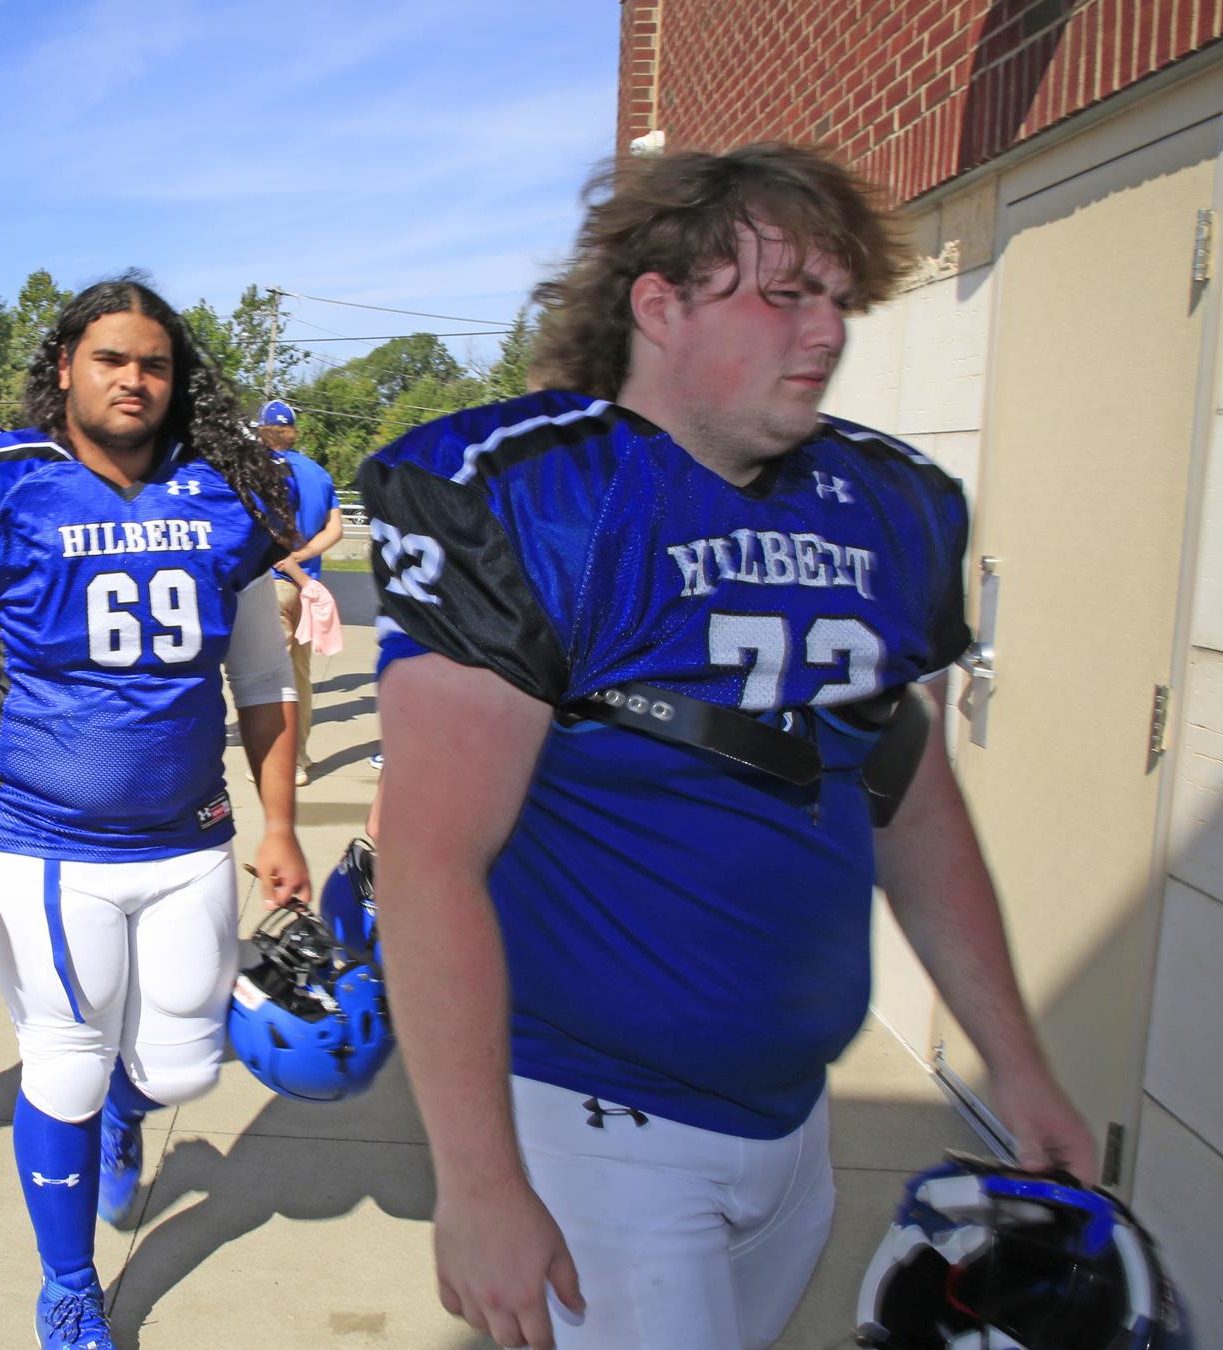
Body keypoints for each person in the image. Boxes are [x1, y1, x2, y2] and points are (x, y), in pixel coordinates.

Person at [361, 142, 1097, 1350]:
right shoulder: (542, 497)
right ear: (658, 304)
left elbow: (907, 803)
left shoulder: (879, 505)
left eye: (833, 300)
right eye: (780, 293)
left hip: (789, 1129)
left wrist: (1011, 1062)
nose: (823, 333)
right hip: (596, 1132)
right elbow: (429, 858)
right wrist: (480, 1182)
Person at [0, 278, 309, 1350]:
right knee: (65, 1055)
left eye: (155, 364)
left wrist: (278, 825)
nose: (134, 380)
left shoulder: (222, 494)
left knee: (175, 1069)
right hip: (44, 838)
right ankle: (69, 1283)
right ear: (65, 367)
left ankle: (129, 1114)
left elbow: (262, 681)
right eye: (112, 359)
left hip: (188, 833)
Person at [258, 399, 344, 784]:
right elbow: (336, 528)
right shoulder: (318, 473)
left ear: (263, 431)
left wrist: (289, 560)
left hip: (274, 584)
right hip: (309, 588)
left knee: (270, 678)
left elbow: (262, 529)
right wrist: (306, 555)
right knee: (300, 677)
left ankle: (282, 761)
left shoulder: (262, 472)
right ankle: (300, 755)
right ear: (293, 431)